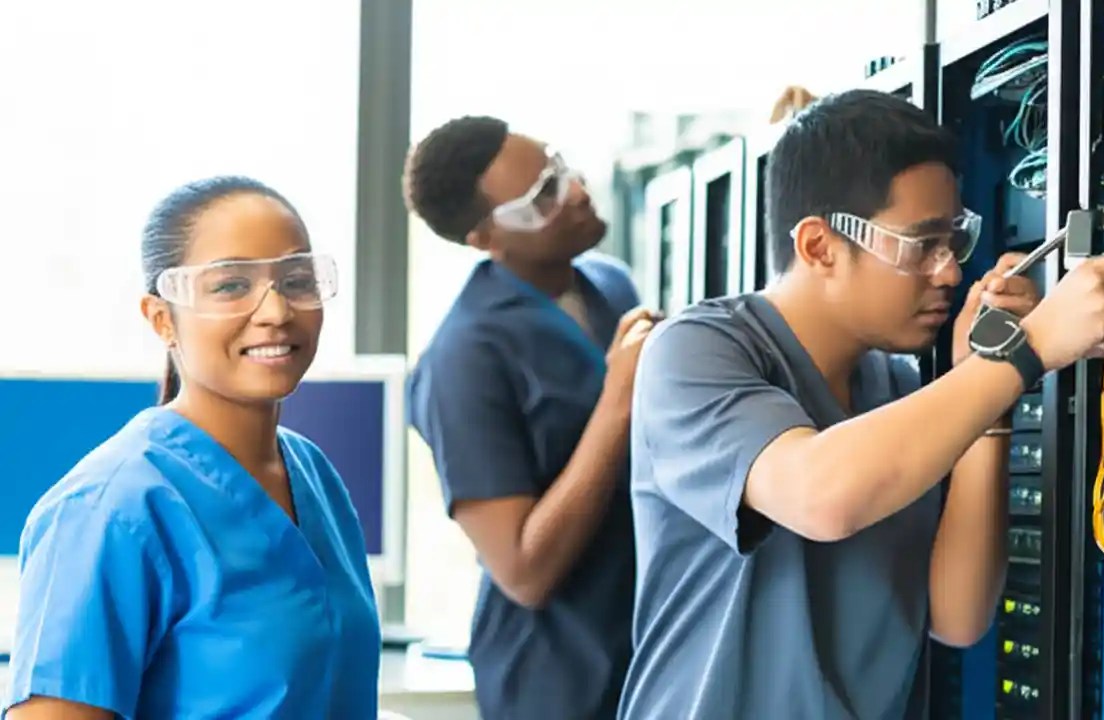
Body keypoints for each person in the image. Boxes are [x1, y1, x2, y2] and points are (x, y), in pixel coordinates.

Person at [619, 90, 1104, 719]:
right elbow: (822, 497)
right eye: (923, 244)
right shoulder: (695, 352)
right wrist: (1028, 350)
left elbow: (958, 617)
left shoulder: (899, 392)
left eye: (955, 241)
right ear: (819, 246)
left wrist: (989, 387)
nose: (950, 272)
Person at [4, 177, 381, 719]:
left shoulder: (314, 475)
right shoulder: (111, 509)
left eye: (297, 278)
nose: (275, 310)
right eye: (231, 285)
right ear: (162, 319)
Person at [402, 116, 655, 719]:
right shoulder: (463, 359)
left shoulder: (607, 285)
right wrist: (618, 400)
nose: (575, 191)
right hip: (554, 680)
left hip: (640, 649)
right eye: (543, 194)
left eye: (560, 166)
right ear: (486, 237)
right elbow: (523, 571)